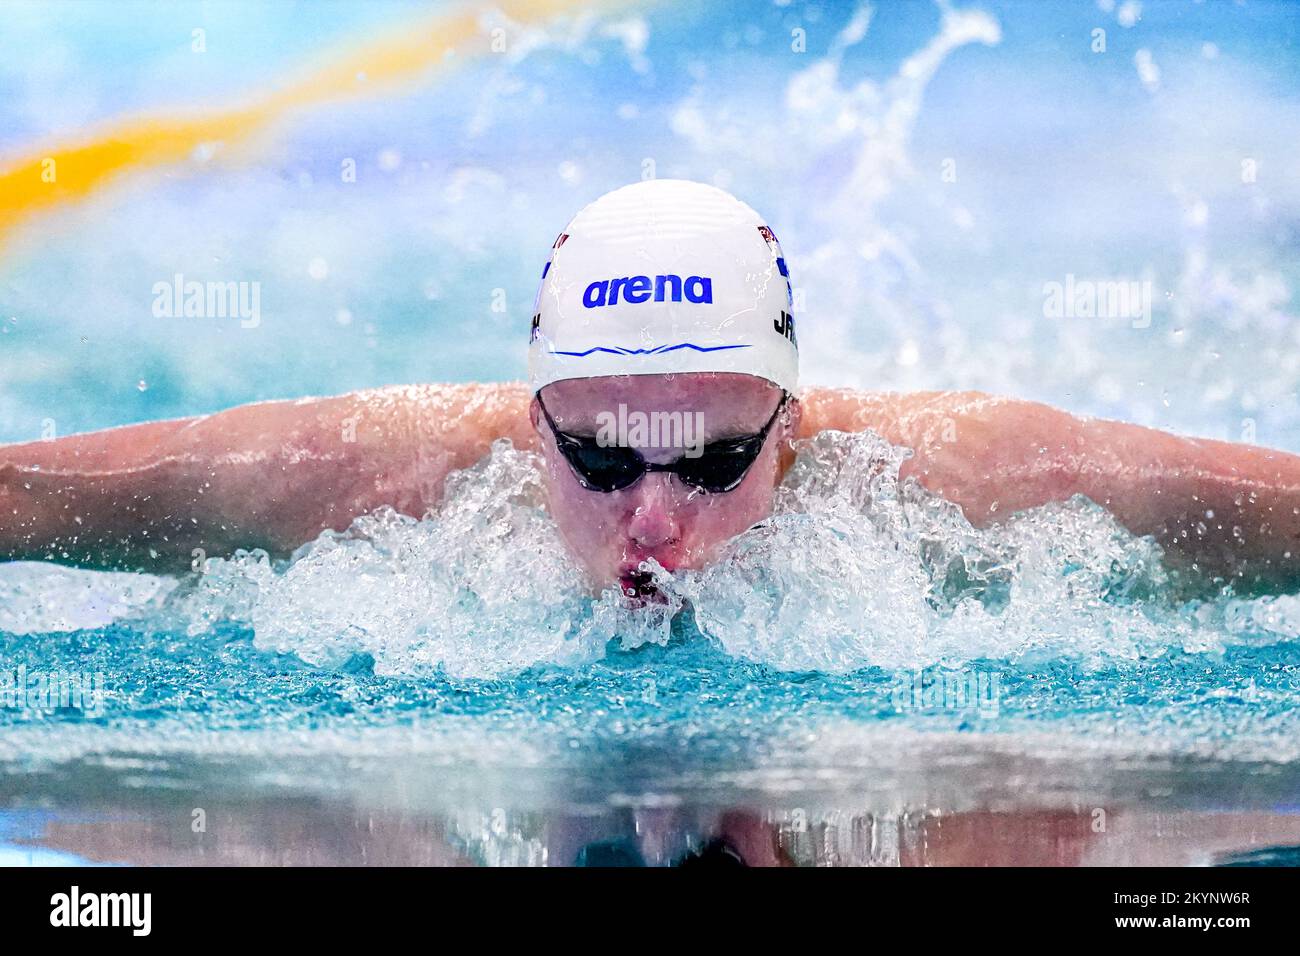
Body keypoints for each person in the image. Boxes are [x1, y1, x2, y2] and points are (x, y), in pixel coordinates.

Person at [2, 180, 1298, 596]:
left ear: (792, 430)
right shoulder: (352, 478)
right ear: (533, 423)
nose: (656, 524)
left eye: (719, 461)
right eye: (604, 460)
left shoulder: (988, 485)